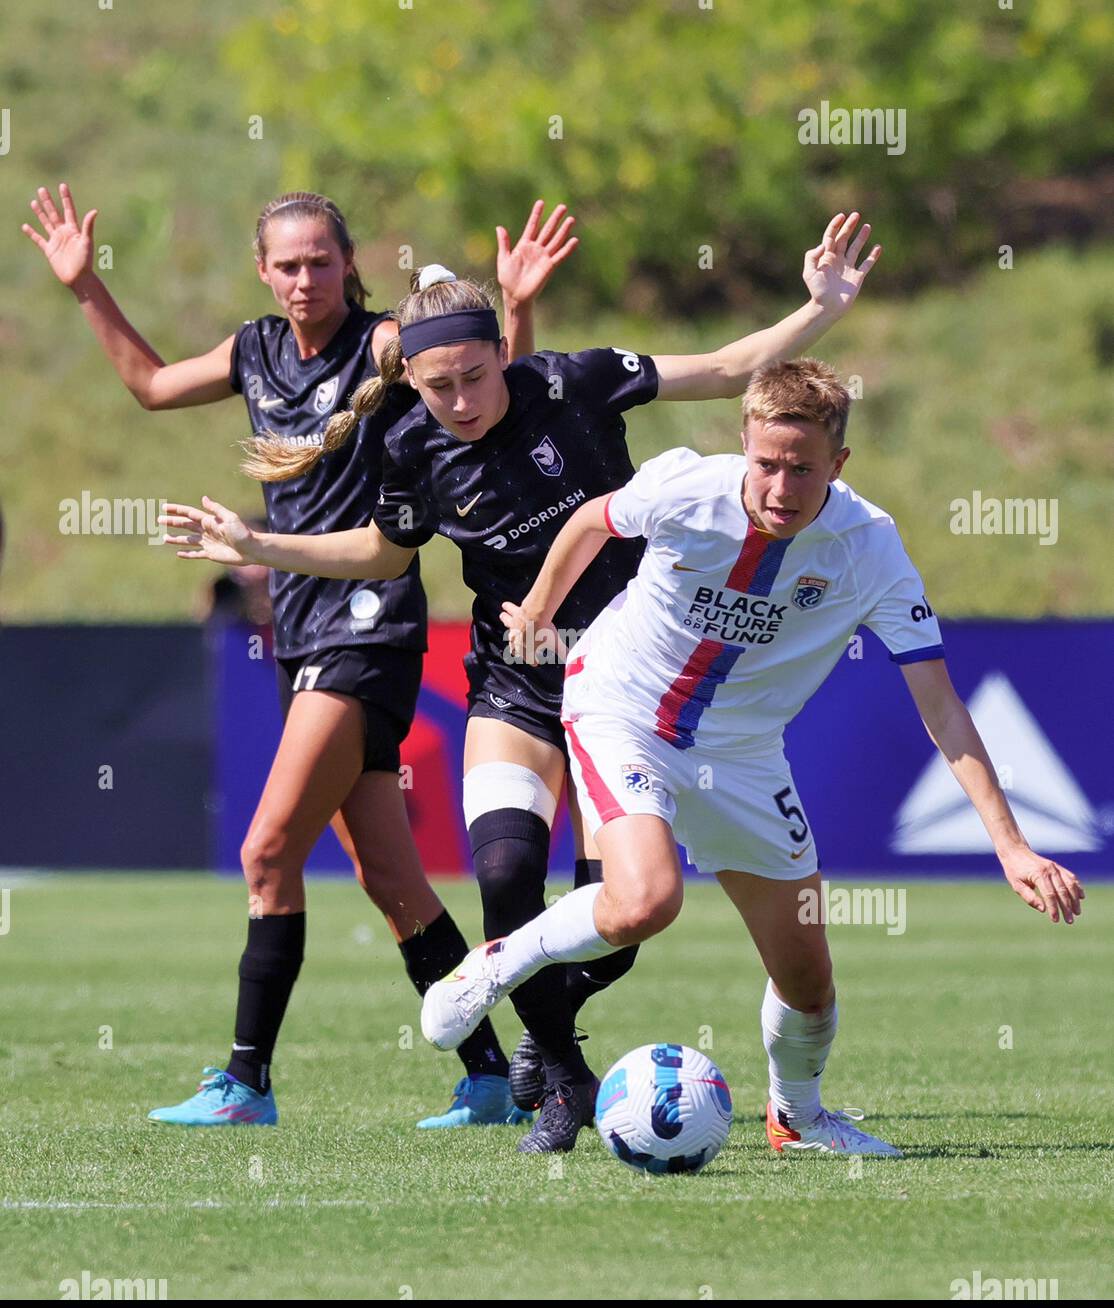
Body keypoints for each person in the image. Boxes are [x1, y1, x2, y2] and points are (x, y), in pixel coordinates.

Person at [160, 212, 882, 1151]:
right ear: (409, 382)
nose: (458, 400)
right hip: (513, 682)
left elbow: (724, 365)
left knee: (619, 926)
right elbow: (385, 553)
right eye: (436, 386)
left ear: (504, 352)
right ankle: (557, 1081)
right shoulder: (412, 446)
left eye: (473, 375)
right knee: (503, 873)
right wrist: (263, 547)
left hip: (625, 679)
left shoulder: (573, 383)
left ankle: (547, 1032)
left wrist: (818, 310)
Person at [420, 356, 1086, 1157]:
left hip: (741, 755)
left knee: (808, 977)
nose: (779, 485)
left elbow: (940, 703)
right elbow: (595, 517)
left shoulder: (869, 548)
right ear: (744, 443)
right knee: (645, 901)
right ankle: (494, 963)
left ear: (838, 465)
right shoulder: (687, 487)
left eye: (802, 469)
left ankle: (798, 1119)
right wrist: (536, 610)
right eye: (766, 463)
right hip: (623, 709)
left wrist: (1010, 844)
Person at [24, 183, 575, 1127]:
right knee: (389, 877)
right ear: (262, 271)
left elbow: (488, 393)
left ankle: (246, 1082)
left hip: (371, 624)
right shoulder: (256, 351)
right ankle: (489, 1074)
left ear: (349, 264)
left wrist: (517, 309)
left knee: (266, 849)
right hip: (301, 631)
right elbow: (153, 388)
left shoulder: (388, 346)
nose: (306, 277)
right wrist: (84, 285)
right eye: (288, 263)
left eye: (323, 260)